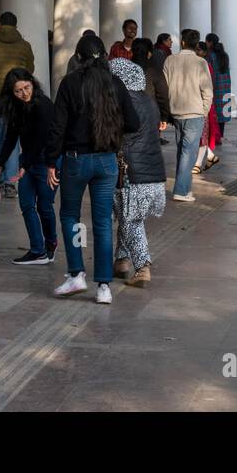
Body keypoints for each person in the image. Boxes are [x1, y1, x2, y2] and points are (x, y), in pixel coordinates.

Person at [45, 34, 140, 304]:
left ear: (78, 58)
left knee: (70, 217)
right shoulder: (115, 84)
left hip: (76, 160)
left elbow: (57, 127)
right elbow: (133, 123)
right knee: (102, 223)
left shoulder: (70, 83)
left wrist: (51, 161)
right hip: (107, 161)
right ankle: (103, 287)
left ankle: (76, 273)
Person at [0, 66, 58, 264]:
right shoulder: (16, 108)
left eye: (27, 87)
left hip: (48, 162)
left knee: (45, 206)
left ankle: (51, 242)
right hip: (28, 161)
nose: (24, 93)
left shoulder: (43, 104)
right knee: (27, 204)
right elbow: (12, 136)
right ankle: (38, 250)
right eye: (18, 90)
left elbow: (42, 138)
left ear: (33, 83)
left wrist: (25, 164)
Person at [110, 58, 167, 287]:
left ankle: (142, 267)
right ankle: (121, 261)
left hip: (131, 170)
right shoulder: (148, 100)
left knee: (131, 219)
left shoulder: (122, 102)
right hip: (153, 170)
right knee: (128, 215)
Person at [0, 12, 35, 200]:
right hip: (16, 98)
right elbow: (30, 70)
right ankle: (10, 182)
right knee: (14, 140)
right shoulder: (25, 46)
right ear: (16, 25)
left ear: (0, 23)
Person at [164, 28, 214, 202]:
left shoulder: (170, 60)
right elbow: (207, 91)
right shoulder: (201, 63)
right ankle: (181, 190)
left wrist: (167, 110)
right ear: (196, 43)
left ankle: (185, 189)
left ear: (183, 42)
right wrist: (204, 111)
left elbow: (165, 88)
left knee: (182, 152)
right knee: (188, 153)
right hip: (194, 113)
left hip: (176, 112)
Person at [193, 41, 223, 174]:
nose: (196, 52)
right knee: (203, 134)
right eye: (196, 50)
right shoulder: (197, 64)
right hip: (196, 103)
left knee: (203, 135)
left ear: (204, 53)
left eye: (199, 50)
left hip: (204, 104)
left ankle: (198, 164)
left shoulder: (206, 65)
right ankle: (210, 156)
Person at [206, 33, 232, 143]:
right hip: (225, 86)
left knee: (214, 112)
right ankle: (220, 135)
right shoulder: (224, 54)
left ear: (210, 42)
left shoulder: (210, 56)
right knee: (223, 112)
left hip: (215, 85)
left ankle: (214, 136)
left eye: (207, 42)